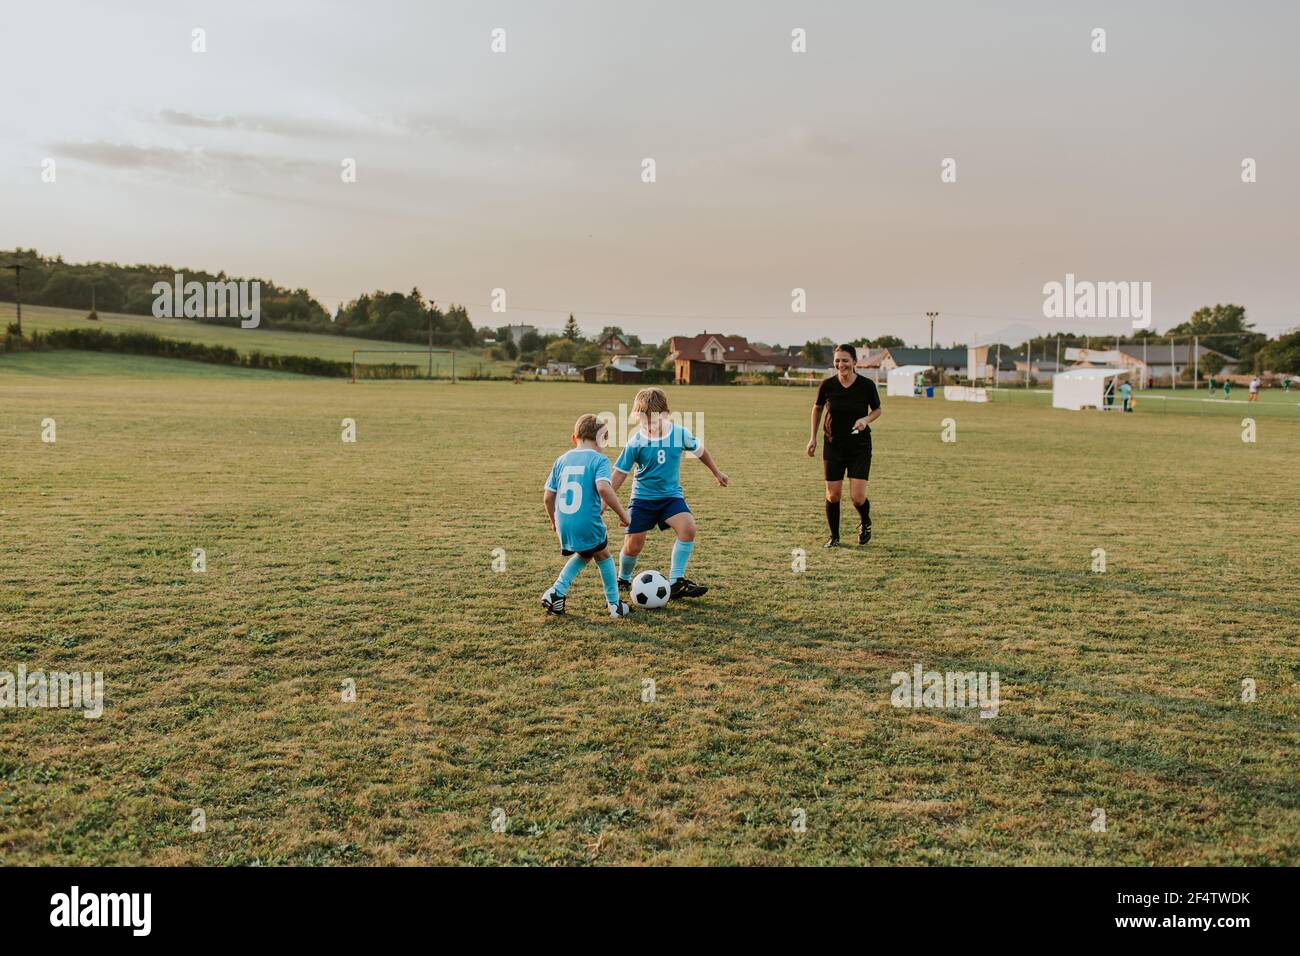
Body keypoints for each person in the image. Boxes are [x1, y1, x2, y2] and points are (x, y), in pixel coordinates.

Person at [612, 387, 728, 599]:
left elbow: (700, 452)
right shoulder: (635, 442)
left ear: (666, 415)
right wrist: (604, 502)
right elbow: (619, 474)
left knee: (688, 528)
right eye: (644, 421)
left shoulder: (679, 434)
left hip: (670, 497)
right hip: (642, 499)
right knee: (634, 545)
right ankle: (623, 578)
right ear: (637, 417)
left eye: (653, 421)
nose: (649, 426)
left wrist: (717, 473)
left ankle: (676, 582)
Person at [541, 414, 632, 617]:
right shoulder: (600, 460)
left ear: (574, 438)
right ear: (602, 439)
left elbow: (548, 497)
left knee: (586, 553)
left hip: (563, 521)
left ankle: (557, 593)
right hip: (587, 522)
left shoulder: (561, 460)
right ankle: (614, 605)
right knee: (604, 555)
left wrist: (553, 521)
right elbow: (604, 489)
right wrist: (623, 515)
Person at [807, 344, 882, 547]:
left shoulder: (866, 385)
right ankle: (835, 537)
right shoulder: (827, 385)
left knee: (857, 497)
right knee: (833, 495)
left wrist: (865, 420)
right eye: (838, 360)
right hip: (833, 445)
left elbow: (877, 410)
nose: (841, 364)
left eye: (845, 360)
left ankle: (865, 522)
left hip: (859, 446)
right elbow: (817, 409)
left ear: (855, 362)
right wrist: (812, 437)